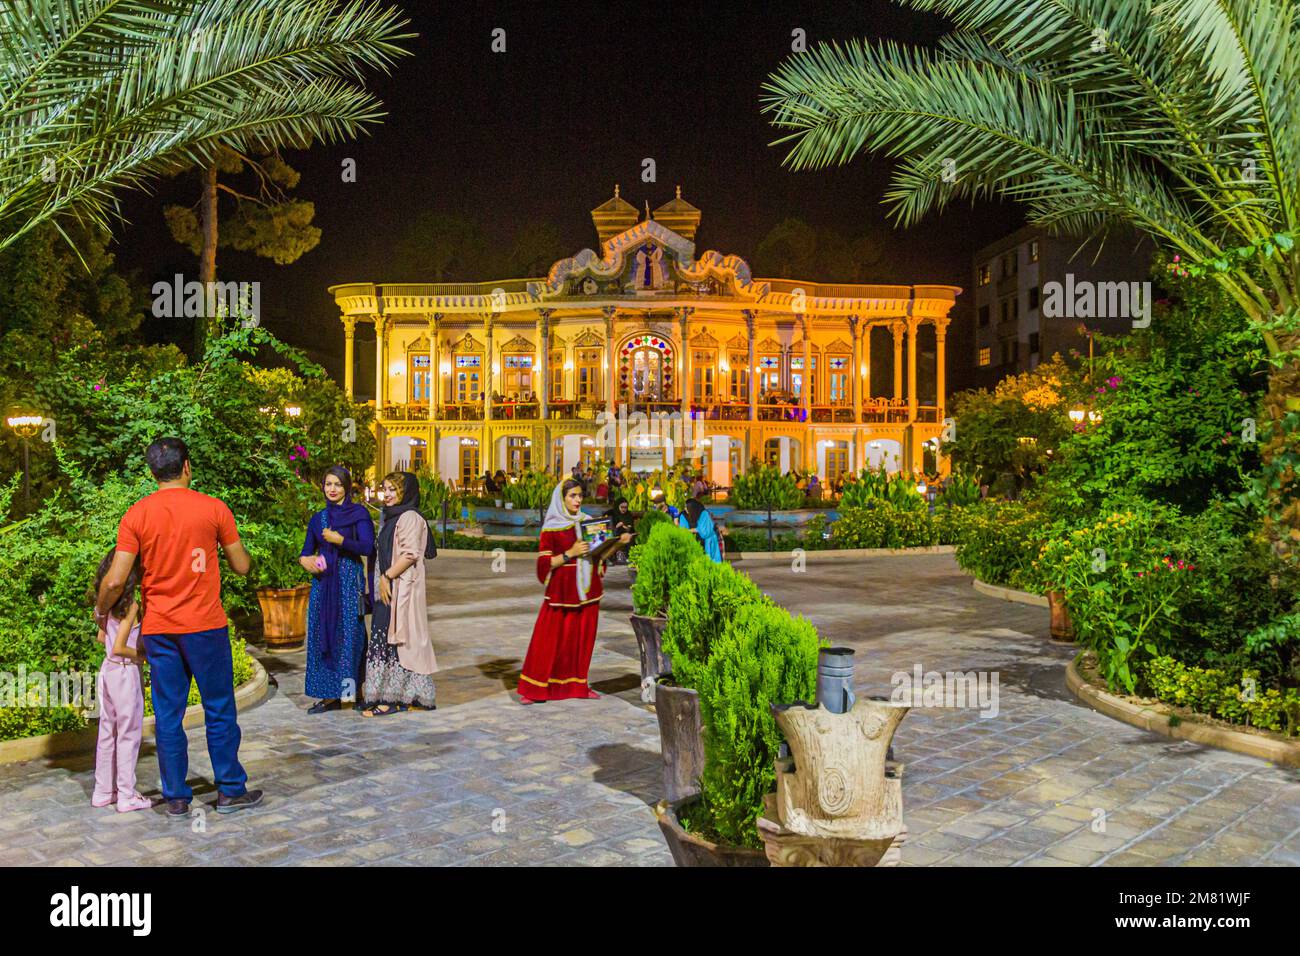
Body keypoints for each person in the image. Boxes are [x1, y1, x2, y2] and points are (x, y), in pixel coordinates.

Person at [96, 437, 261, 817]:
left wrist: (103, 611)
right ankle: (230, 791)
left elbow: (115, 581)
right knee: (219, 709)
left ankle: (175, 797)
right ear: (187, 466)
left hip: (160, 629)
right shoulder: (215, 509)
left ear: (151, 471)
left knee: (168, 714)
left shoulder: (136, 515)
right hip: (205, 626)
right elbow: (241, 566)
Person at [517, 480, 630, 703]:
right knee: (547, 641)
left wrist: (618, 544)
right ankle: (535, 688)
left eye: (580, 496)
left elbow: (599, 556)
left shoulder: (589, 523)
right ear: (562, 498)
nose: (578, 500)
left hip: (588, 590)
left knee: (582, 642)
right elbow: (544, 564)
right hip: (561, 591)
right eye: (572, 496)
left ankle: (578, 685)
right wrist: (570, 552)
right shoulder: (551, 528)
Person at [299, 466, 374, 714]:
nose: (332, 489)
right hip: (323, 584)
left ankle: (354, 692)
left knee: (351, 635)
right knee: (323, 634)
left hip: (349, 582)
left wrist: (340, 540)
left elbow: (367, 547)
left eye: (338, 485)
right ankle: (329, 695)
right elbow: (306, 551)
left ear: (347, 487)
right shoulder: (318, 518)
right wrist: (307, 562)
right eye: (328, 484)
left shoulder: (358, 514)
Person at [363, 472, 438, 716]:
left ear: (406, 492)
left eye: (393, 489)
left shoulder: (409, 517)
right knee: (386, 638)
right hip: (390, 586)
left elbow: (409, 554)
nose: (387, 494)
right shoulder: (392, 516)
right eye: (385, 489)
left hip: (400, 587)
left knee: (398, 641)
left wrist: (387, 577)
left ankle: (393, 699)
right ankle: (392, 695)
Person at [89, 549, 154, 813]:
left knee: (107, 732)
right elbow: (118, 646)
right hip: (125, 672)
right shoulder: (132, 605)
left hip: (107, 672)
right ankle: (126, 795)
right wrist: (142, 656)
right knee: (128, 734)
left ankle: (103, 791)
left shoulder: (103, 604)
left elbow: (102, 640)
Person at [679, 493, 723, 562]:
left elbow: (705, 532)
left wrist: (691, 530)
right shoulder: (684, 515)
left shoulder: (703, 514)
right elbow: (682, 530)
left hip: (709, 543)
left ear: (692, 507)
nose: (685, 509)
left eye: (686, 507)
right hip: (698, 543)